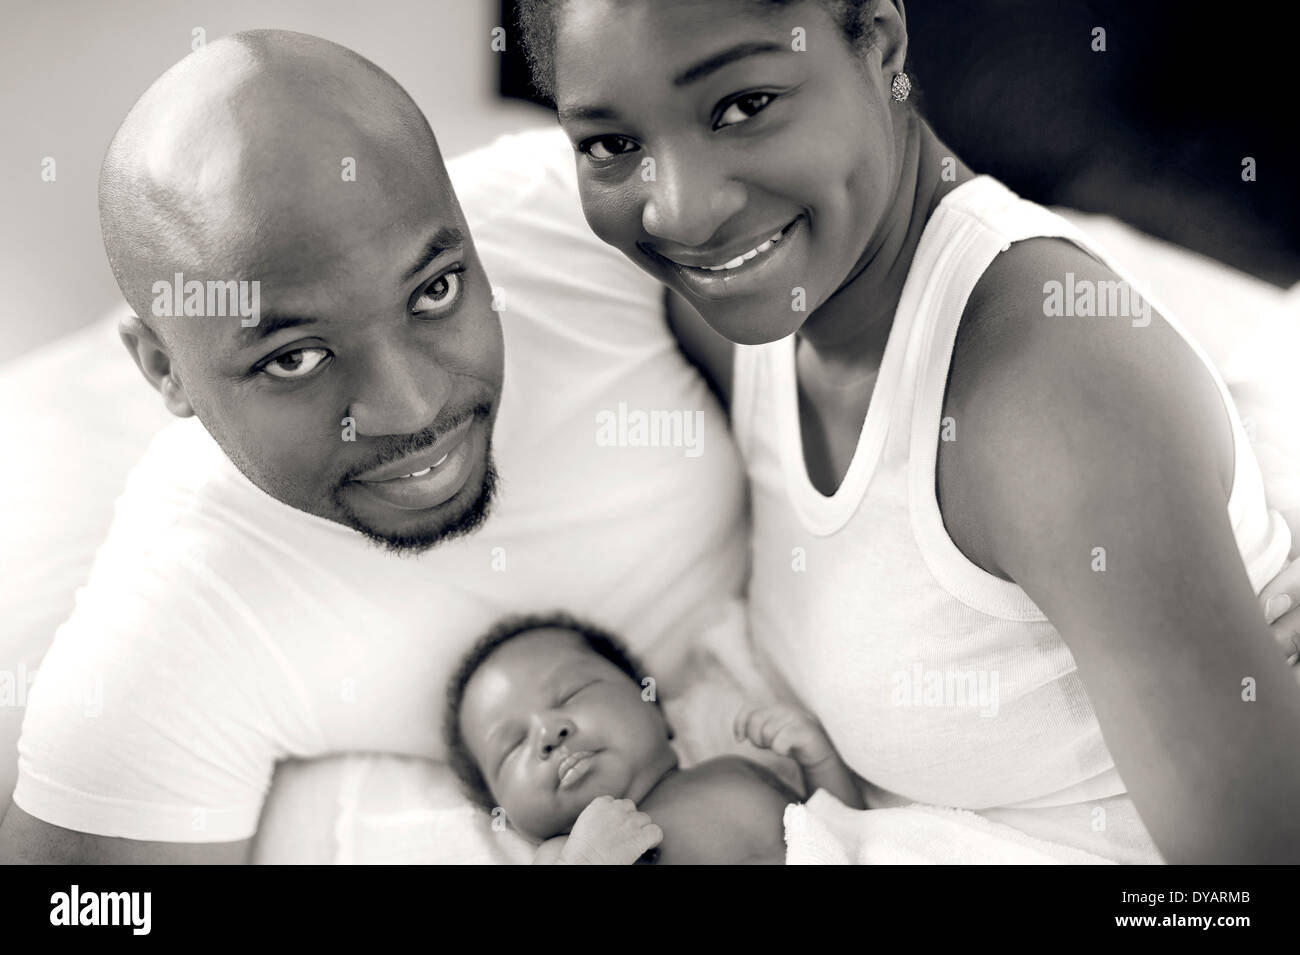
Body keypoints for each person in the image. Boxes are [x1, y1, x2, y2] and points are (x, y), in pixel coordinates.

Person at [520, 0, 1300, 862]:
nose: (681, 211)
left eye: (743, 106)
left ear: (881, 43)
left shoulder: (1045, 395)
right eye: (611, 144)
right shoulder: (737, 318)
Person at [0, 30, 745, 863]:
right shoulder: (173, 619)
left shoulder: (576, 218)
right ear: (164, 371)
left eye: (434, 292)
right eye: (296, 358)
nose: (414, 407)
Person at [444, 612, 861, 864]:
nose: (548, 732)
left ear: (654, 706)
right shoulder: (561, 854)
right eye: (512, 745)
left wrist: (818, 760)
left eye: (571, 693)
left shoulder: (736, 773)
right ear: (507, 816)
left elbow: (847, 836)